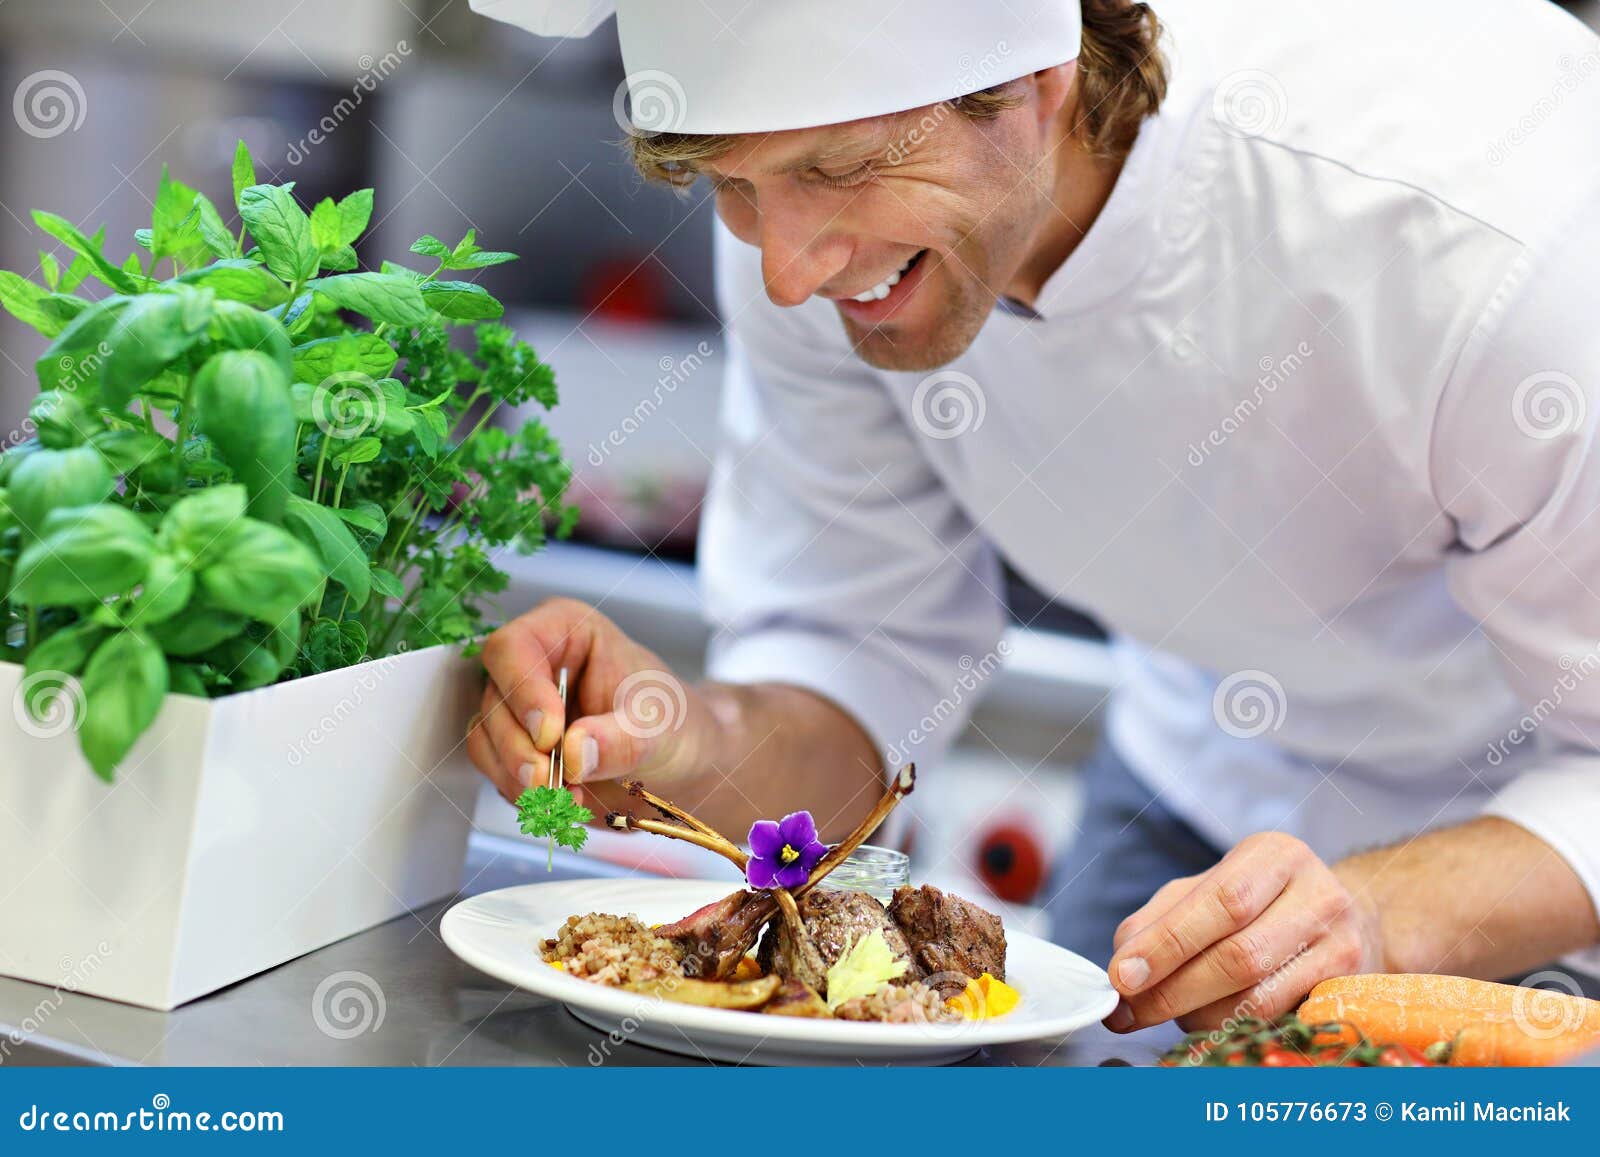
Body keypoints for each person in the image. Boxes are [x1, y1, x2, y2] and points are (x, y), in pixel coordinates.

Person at [465, 0, 1600, 1030]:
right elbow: (858, 650)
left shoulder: (1491, 236)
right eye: (731, 187)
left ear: (1040, 82)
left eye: (844, 167)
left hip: (1535, 844)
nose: (787, 278)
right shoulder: (814, 243)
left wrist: (1377, 909)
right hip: (1188, 791)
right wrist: (681, 739)